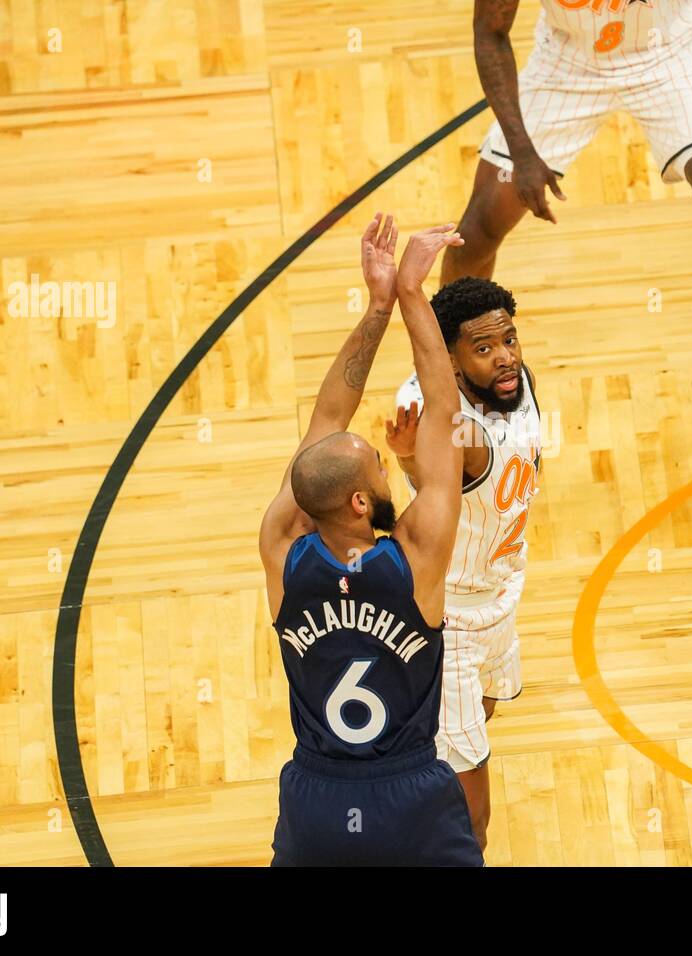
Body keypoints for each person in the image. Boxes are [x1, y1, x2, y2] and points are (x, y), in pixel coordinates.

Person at [259, 214, 482, 865]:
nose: (388, 469)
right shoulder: (414, 560)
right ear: (362, 502)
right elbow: (444, 413)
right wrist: (411, 295)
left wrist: (376, 307)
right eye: (379, 468)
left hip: (317, 800)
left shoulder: (282, 548)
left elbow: (328, 419)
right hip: (409, 796)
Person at [444, 0, 692, 329]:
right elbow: (490, 33)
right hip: (566, 63)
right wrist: (522, 150)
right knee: (476, 232)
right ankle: (439, 365)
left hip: (671, 57)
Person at [385, 275, 543, 852]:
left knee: (476, 724)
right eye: (482, 348)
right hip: (451, 621)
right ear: (450, 360)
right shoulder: (456, 431)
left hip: (502, 597)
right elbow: (421, 514)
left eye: (509, 339)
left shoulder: (518, 384)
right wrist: (409, 462)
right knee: (469, 822)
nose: (504, 357)